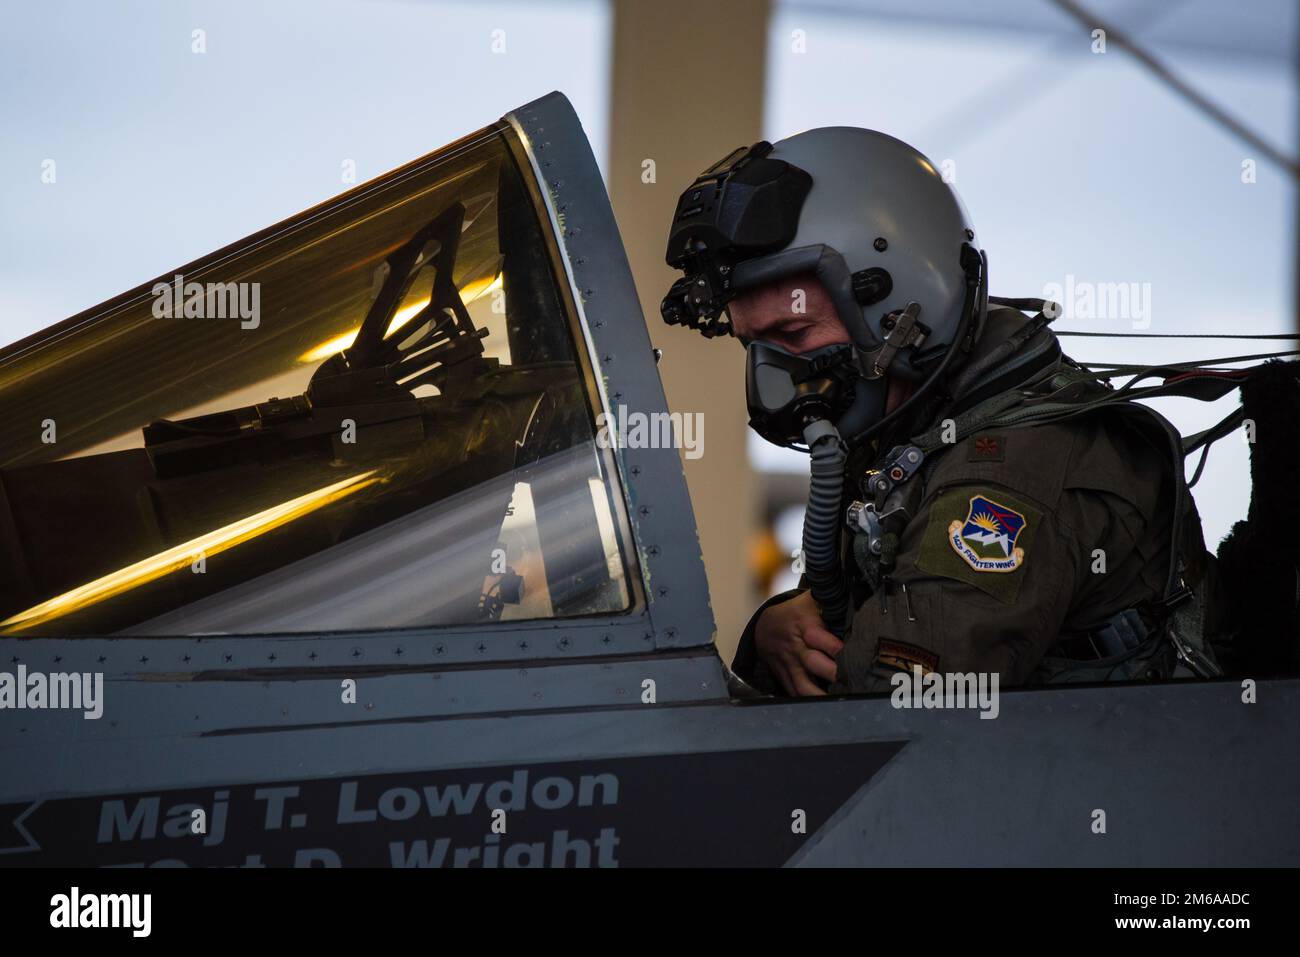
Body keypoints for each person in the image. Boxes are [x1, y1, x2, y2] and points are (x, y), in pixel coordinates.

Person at [659, 127, 1225, 696]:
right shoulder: (917, 434)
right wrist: (774, 630)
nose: (771, 376)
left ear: (902, 305)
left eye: (794, 332)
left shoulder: (1015, 465)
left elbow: (897, 702)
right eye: (753, 345)